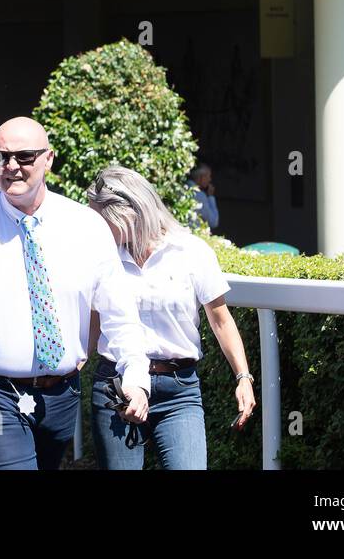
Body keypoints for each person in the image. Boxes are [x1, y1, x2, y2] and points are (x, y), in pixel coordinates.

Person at [0, 117, 151, 471]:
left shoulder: (86, 226)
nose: (11, 167)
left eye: (24, 157)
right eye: (1, 157)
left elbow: (120, 314)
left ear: (49, 159)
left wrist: (136, 378)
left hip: (61, 395)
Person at [86, 166, 255, 469]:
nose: (95, 229)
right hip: (116, 385)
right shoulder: (102, 257)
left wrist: (243, 377)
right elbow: (93, 326)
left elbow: (221, 320)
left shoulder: (191, 251)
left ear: (127, 213)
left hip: (179, 390)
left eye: (99, 219)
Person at [187, 162, 219, 232]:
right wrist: (210, 197)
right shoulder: (199, 195)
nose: (210, 179)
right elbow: (213, 221)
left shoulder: (181, 188)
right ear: (201, 177)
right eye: (208, 176)